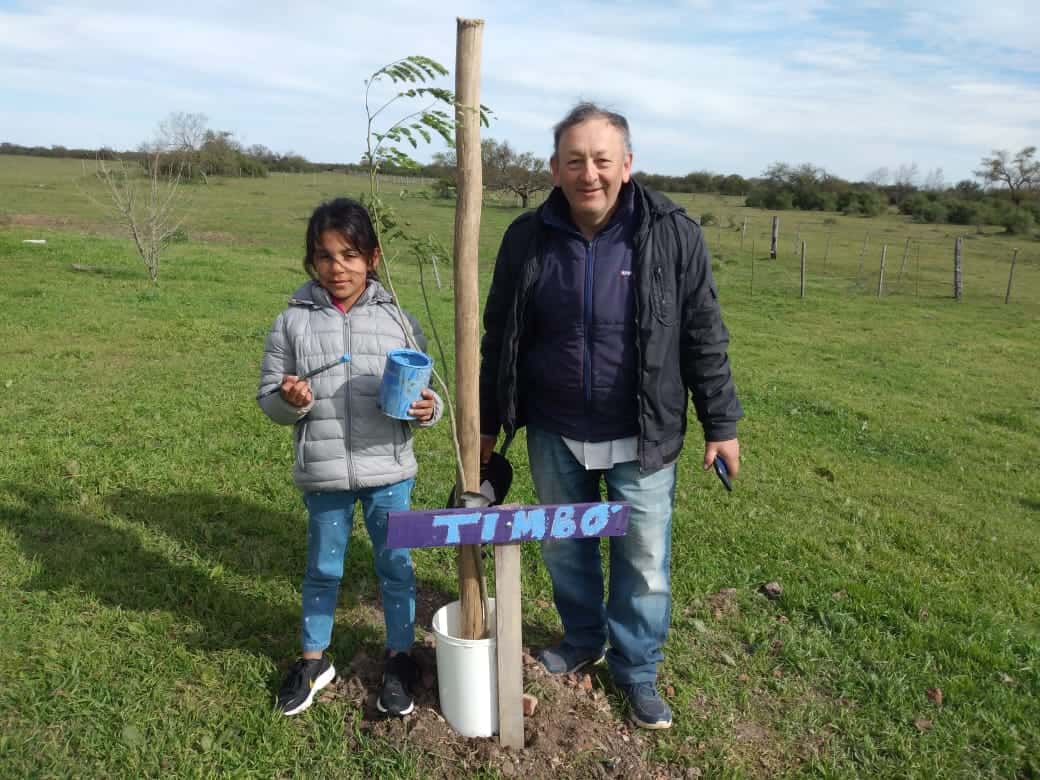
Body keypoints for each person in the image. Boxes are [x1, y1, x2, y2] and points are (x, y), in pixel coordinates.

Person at [479, 103, 742, 730]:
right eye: (575, 161)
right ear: (553, 168)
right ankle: (582, 637)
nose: (588, 173)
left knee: (644, 558)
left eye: (601, 160)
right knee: (566, 547)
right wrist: (488, 424)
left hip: (643, 433)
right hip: (554, 428)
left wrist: (721, 425)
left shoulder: (674, 233)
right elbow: (500, 336)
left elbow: (703, 331)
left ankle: (637, 668)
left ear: (627, 164)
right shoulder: (527, 236)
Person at [258, 197, 443, 717]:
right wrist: (289, 400)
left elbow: (427, 393)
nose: (338, 267)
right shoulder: (291, 323)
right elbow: (269, 399)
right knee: (322, 568)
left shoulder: (399, 321)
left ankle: (400, 657)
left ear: (373, 257)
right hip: (325, 473)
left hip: (389, 472)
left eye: (350, 254)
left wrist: (428, 409)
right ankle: (314, 660)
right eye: (325, 256)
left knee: (396, 567)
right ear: (311, 261)